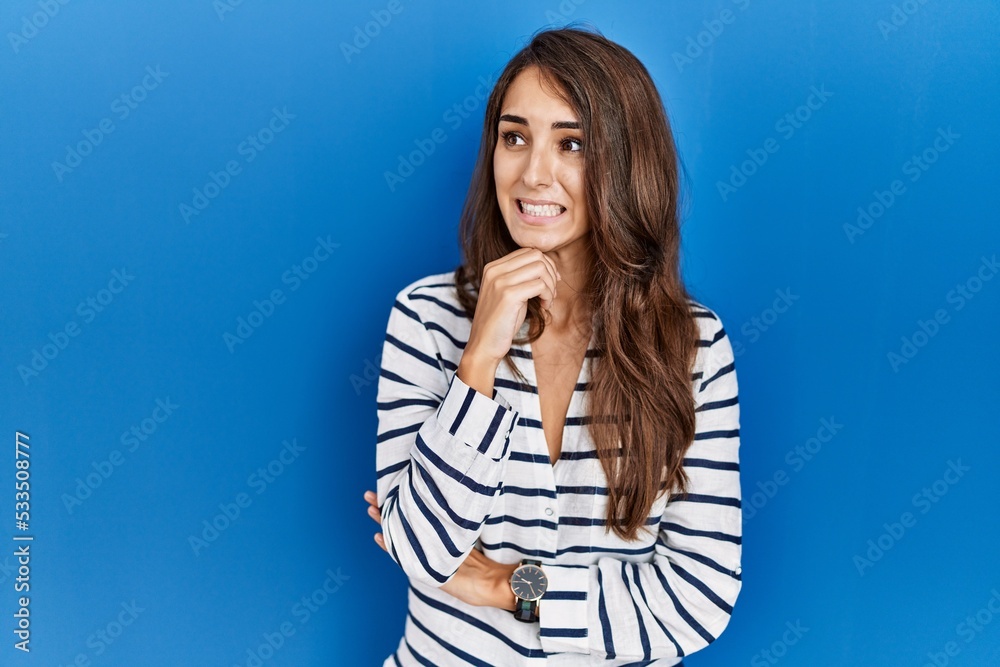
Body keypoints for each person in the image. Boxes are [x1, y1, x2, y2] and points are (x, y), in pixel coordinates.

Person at [363, 25, 742, 666]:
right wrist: (479, 355)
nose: (534, 174)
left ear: (625, 163)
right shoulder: (426, 319)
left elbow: (696, 596)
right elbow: (422, 553)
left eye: (573, 145)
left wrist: (510, 588)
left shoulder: (693, 346)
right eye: (515, 138)